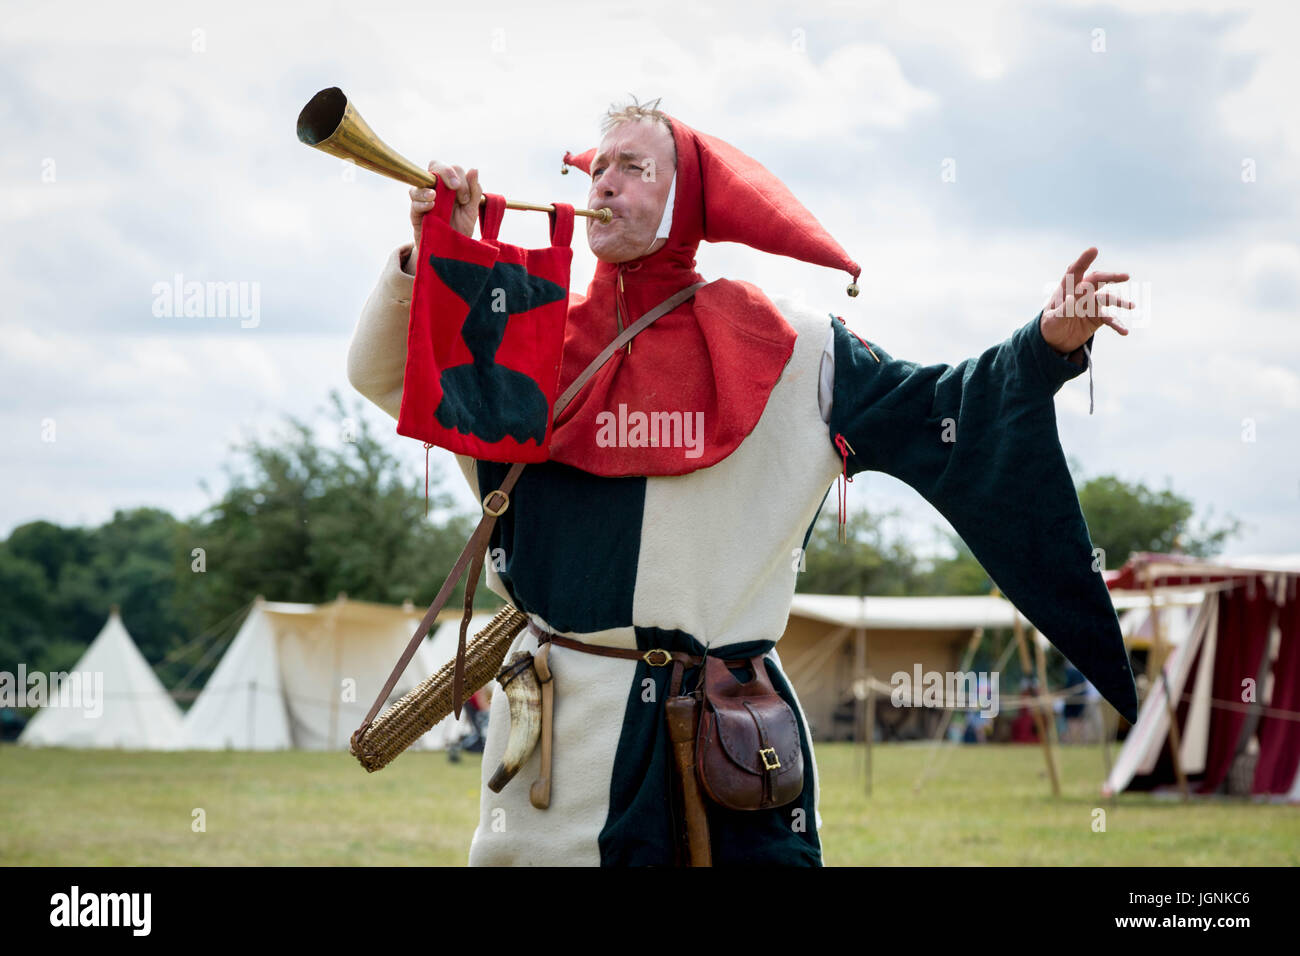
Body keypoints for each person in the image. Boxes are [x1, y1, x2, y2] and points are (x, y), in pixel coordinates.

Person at [347, 97, 1138, 866]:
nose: (606, 185)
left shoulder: (797, 349)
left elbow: (942, 409)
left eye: (634, 167)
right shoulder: (530, 332)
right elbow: (385, 375)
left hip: (725, 737)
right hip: (559, 739)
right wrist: (430, 264)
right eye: (600, 170)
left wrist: (1040, 348)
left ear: (686, 198)